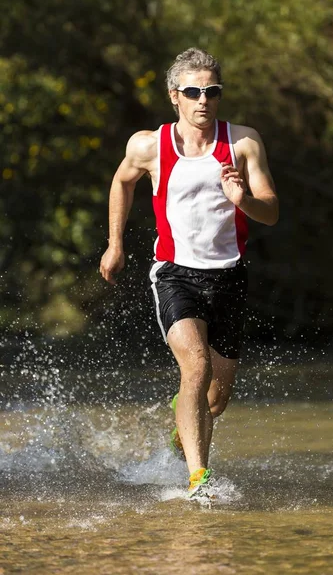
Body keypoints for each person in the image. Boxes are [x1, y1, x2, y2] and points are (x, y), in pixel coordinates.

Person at [100, 48, 278, 499]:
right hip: (174, 274)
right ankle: (200, 479)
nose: (204, 100)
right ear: (174, 95)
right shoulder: (148, 145)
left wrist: (244, 202)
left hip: (229, 277)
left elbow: (271, 212)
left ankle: (183, 416)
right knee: (194, 365)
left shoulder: (243, 143)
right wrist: (116, 243)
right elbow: (122, 181)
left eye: (212, 91)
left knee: (214, 398)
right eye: (194, 92)